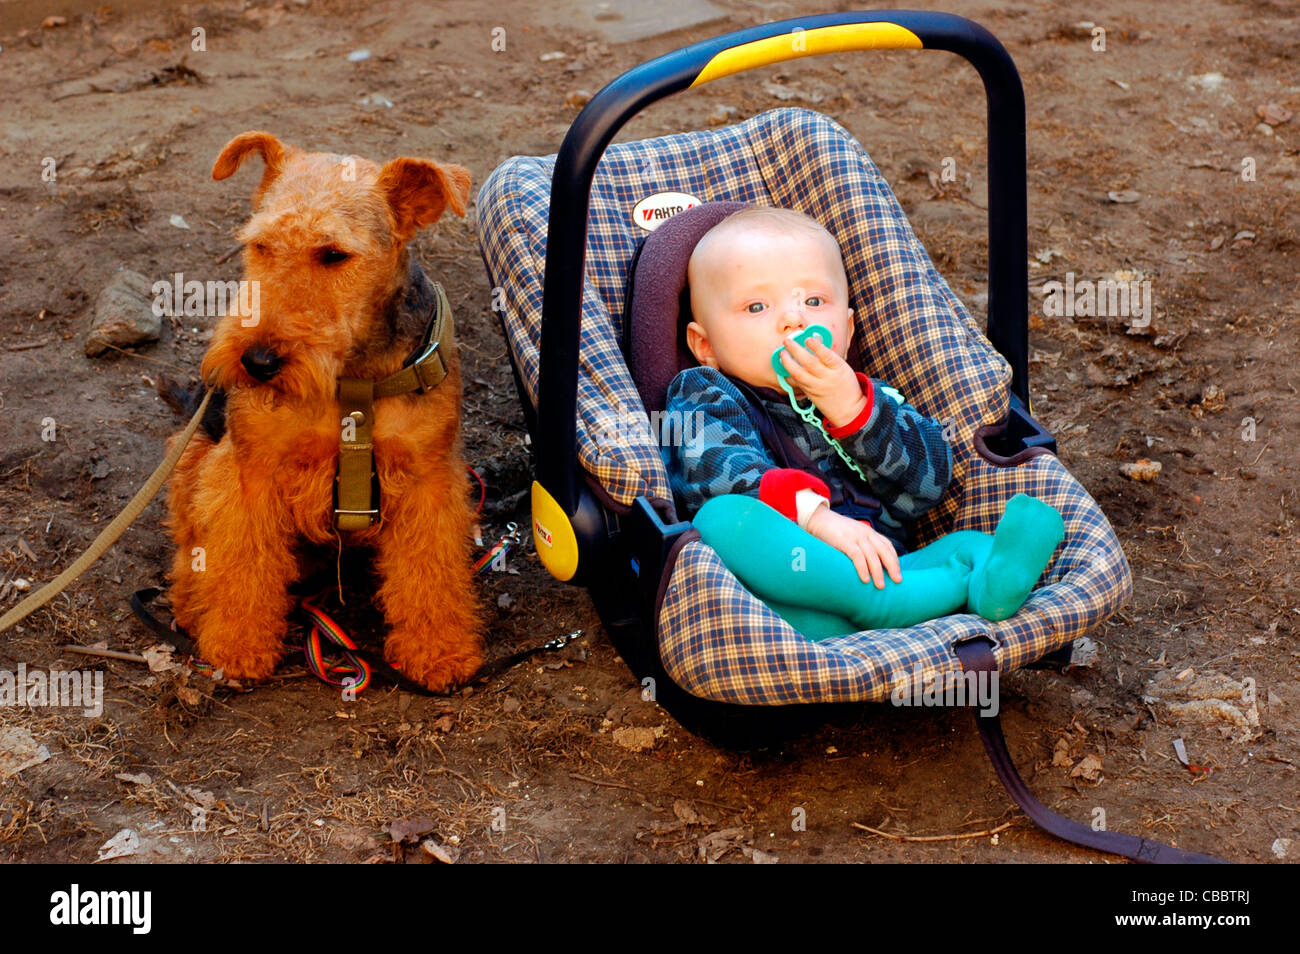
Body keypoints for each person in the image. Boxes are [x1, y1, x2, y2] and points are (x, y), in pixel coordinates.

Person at [660, 206, 1065, 638]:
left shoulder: (870, 396)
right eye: (757, 306)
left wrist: (855, 412)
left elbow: (927, 488)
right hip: (779, 578)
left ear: (848, 329)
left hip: (888, 566)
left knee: (970, 547)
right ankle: (886, 607)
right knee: (721, 519)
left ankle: (990, 586)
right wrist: (816, 519)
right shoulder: (705, 391)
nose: (794, 319)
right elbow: (712, 471)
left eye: (814, 301)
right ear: (704, 345)